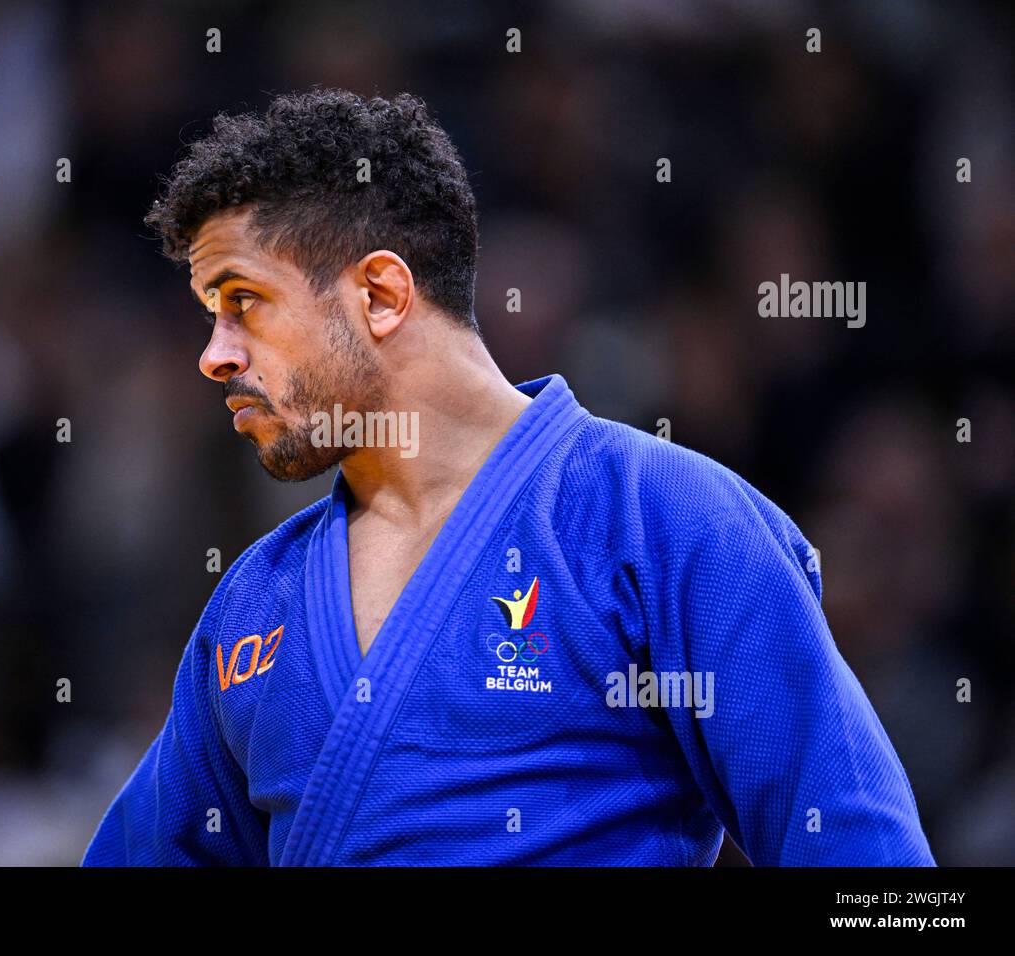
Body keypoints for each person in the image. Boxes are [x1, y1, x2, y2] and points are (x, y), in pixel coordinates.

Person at [82, 88, 934, 866]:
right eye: (208, 314)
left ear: (380, 294)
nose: (214, 355)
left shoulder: (665, 520)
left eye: (243, 302)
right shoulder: (253, 602)